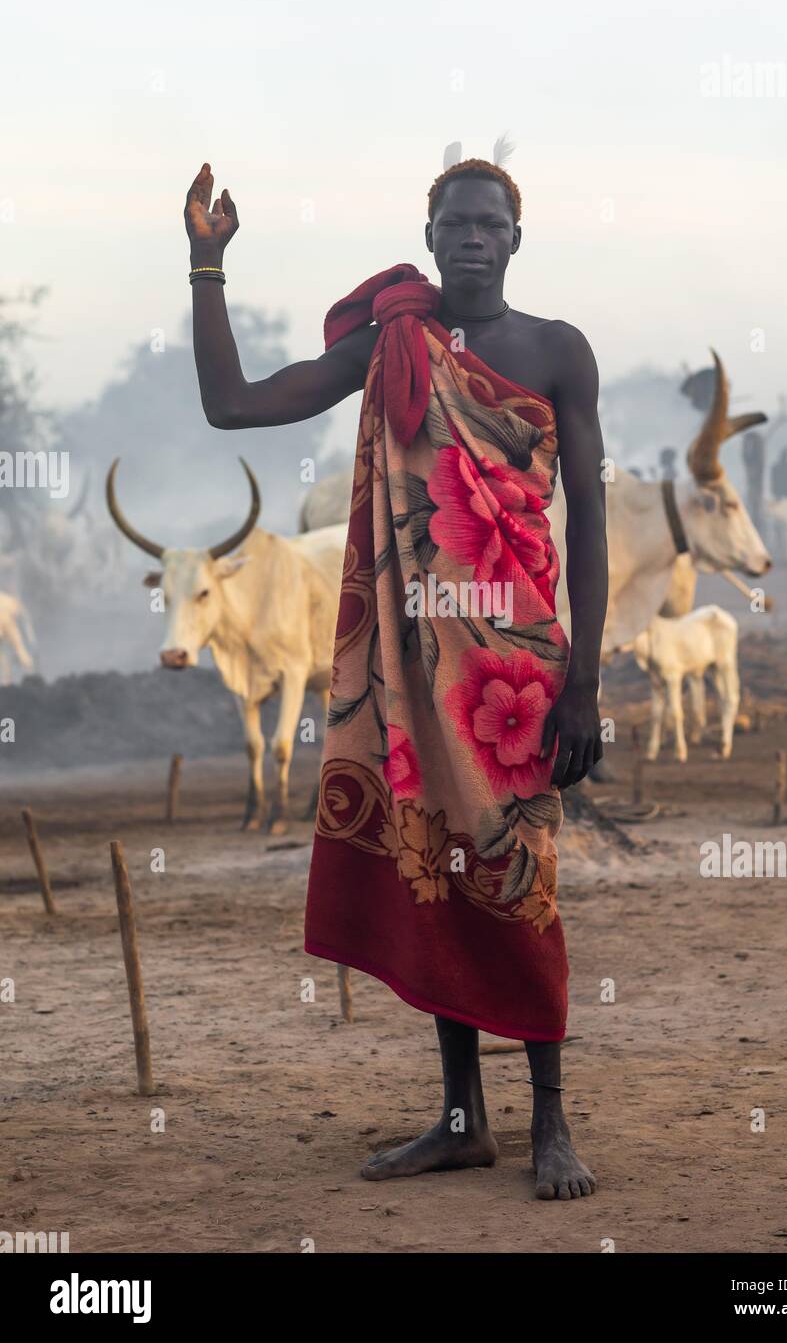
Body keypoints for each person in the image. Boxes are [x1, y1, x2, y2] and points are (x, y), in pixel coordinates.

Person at [184, 142, 608, 1202]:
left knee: (520, 878)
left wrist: (587, 681)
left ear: (516, 241)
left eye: (490, 225)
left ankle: (549, 1119)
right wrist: (206, 268)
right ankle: (463, 1119)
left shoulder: (558, 352)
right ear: (428, 239)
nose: (472, 238)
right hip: (411, 665)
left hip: (515, 668)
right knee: (436, 871)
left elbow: (590, 520)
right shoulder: (393, 340)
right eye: (454, 224)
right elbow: (235, 405)